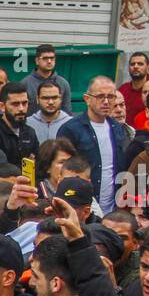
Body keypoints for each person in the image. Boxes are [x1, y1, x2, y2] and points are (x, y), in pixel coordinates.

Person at [57, 77, 127, 215]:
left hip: (113, 208)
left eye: (111, 97)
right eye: (100, 96)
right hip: (82, 207)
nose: (106, 101)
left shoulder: (117, 128)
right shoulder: (71, 129)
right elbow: (61, 168)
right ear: (87, 99)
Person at [24, 44, 73, 114]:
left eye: (52, 58)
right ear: (37, 60)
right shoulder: (25, 84)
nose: (49, 61)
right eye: (45, 58)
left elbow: (67, 111)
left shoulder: (63, 83)